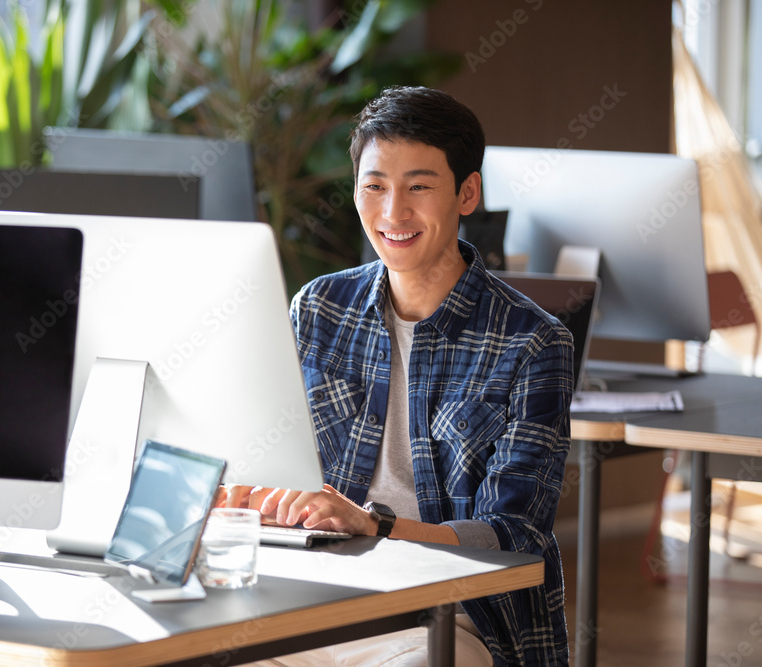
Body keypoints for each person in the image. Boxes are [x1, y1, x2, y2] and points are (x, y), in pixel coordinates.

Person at [224, 85, 573, 666]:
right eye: (375, 186)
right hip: (317, 596)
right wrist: (247, 494)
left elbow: (512, 536)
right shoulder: (319, 308)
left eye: (418, 187)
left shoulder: (533, 341)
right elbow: (268, 457)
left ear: (467, 193)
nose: (393, 213)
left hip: (453, 615)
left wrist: (372, 525)